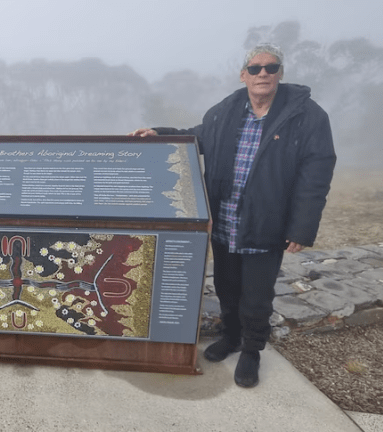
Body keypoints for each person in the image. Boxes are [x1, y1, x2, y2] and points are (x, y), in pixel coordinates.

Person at [131, 44, 336, 388]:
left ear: (280, 74)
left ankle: (252, 351)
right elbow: (195, 137)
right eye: (255, 69)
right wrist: (159, 134)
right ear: (244, 75)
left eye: (271, 68)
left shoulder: (308, 117)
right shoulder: (226, 111)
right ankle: (231, 337)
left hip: (265, 224)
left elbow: (316, 174)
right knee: (227, 287)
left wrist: (302, 227)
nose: (263, 74)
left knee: (257, 295)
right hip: (225, 222)